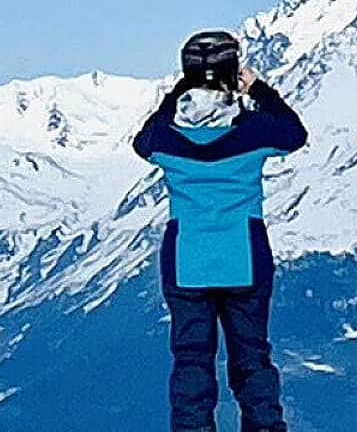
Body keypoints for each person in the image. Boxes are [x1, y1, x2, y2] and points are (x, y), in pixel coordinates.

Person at [132, 31, 308, 432]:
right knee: (252, 359)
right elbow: (294, 134)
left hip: (187, 261)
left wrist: (179, 91)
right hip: (244, 256)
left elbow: (142, 141)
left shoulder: (166, 137)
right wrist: (257, 88)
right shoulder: (255, 130)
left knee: (191, 361)